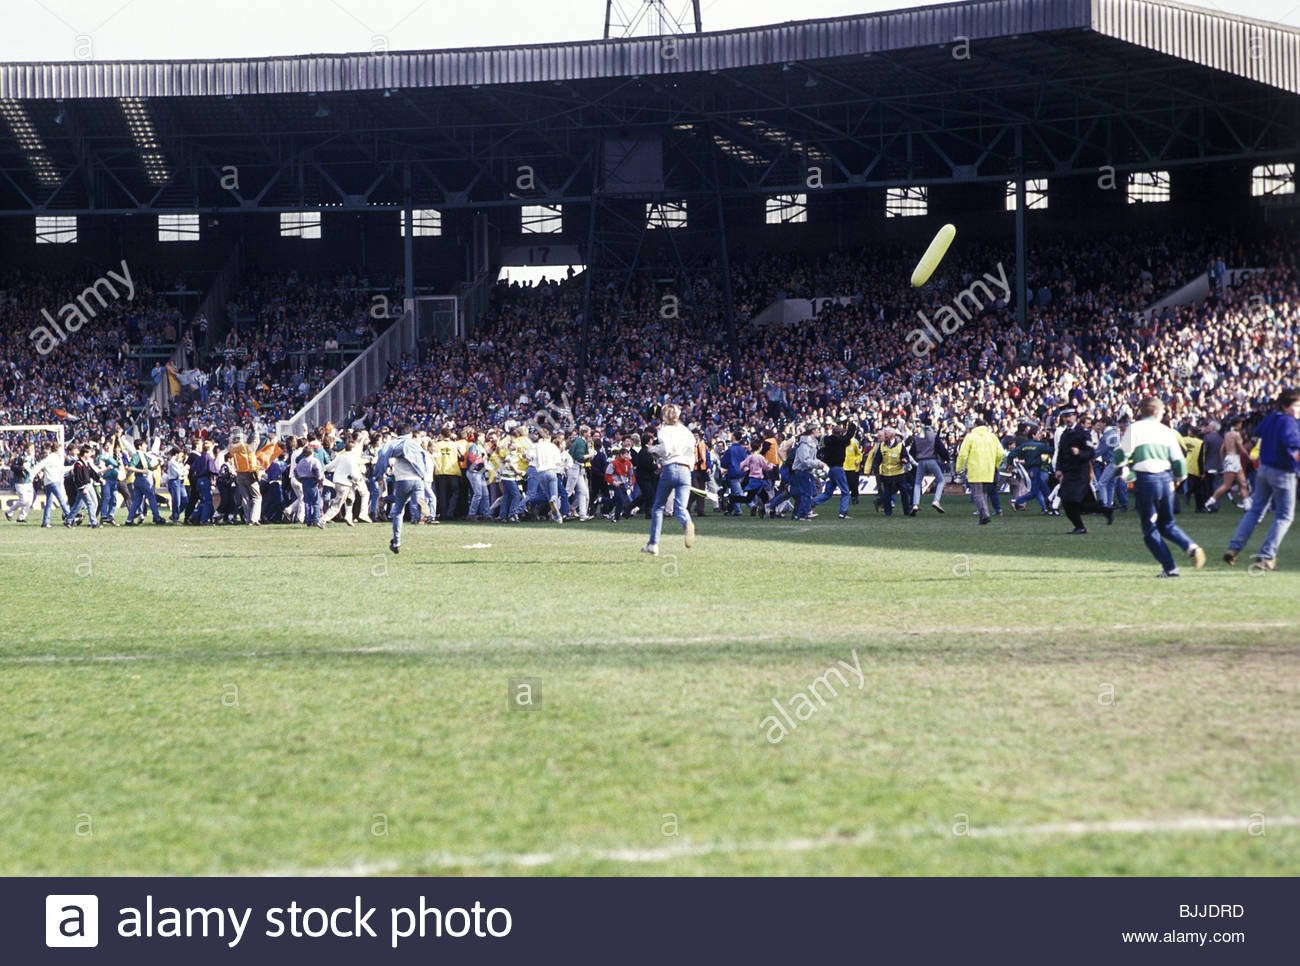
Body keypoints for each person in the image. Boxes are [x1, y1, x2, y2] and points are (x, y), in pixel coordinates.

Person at [1113, 396, 1207, 577]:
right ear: (1156, 412)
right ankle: (1191, 547)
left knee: (1150, 530)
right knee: (1167, 525)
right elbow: (1179, 461)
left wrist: (1127, 475)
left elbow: (1120, 457)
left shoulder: (1135, 428)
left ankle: (1170, 568)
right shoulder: (1166, 431)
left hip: (1146, 480)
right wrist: (1178, 479)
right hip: (1166, 480)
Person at [1223, 388, 1299, 570]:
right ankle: (1266, 555)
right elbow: (1293, 446)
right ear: (1285, 406)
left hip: (1264, 469)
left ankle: (1234, 547)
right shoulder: (1289, 423)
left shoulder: (1272, 417)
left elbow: (1257, 432)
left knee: (1255, 510)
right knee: (1284, 516)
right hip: (1282, 471)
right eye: (1297, 405)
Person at [641, 403, 696, 556]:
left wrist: (652, 450)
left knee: (658, 506)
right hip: (685, 469)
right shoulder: (687, 432)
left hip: (670, 468)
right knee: (680, 508)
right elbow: (692, 452)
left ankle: (653, 544)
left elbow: (665, 449)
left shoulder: (664, 430)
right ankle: (687, 523)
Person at [1053, 407, 1112, 534]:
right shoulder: (1064, 434)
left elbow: (1091, 452)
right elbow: (1060, 454)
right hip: (1069, 472)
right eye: (1065, 417)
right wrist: (1058, 469)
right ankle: (1102, 510)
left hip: (1080, 472)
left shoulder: (1083, 433)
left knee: (1072, 501)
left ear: (1075, 416)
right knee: (1070, 501)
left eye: (1070, 416)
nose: (1068, 419)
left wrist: (1080, 453)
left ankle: (1081, 525)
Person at [374, 424, 430, 553]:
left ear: (396, 433)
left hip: (402, 480)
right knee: (416, 499)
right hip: (419, 479)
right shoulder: (416, 445)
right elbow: (424, 459)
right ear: (410, 433)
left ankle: (396, 541)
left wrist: (379, 474)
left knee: (398, 510)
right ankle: (419, 510)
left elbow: (382, 455)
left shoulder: (395, 443)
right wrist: (424, 475)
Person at [956, 419, 1005, 524]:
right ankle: (984, 515)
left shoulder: (970, 437)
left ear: (975, 425)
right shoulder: (992, 437)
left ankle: (985, 515)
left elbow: (962, 454)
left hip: (975, 469)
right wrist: (996, 464)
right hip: (989, 469)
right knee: (983, 492)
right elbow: (1001, 453)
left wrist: (959, 468)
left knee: (977, 494)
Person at [813, 419, 857, 519]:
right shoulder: (842, 440)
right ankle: (843, 512)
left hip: (829, 469)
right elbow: (850, 434)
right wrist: (852, 423)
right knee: (845, 492)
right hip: (838, 469)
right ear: (841, 432)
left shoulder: (827, 440)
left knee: (828, 493)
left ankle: (810, 503)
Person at [1205, 418, 1252, 511]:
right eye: (1241, 423)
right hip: (1234, 458)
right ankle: (1209, 502)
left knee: (1243, 484)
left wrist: (1223, 461)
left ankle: (1247, 507)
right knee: (1227, 485)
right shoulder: (1236, 434)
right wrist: (1248, 456)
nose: (1242, 425)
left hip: (1230, 459)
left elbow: (1222, 450)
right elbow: (1240, 447)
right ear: (1238, 424)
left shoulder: (1227, 434)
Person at [908, 417, 948, 514]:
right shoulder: (933, 435)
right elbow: (941, 449)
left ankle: (915, 504)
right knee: (941, 480)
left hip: (921, 461)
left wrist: (918, 456)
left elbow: (911, 451)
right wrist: (946, 458)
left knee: (917, 483)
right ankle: (936, 500)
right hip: (932, 460)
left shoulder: (917, 437)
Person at [790, 422, 827, 521]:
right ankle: (803, 513)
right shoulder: (804, 445)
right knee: (806, 492)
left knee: (811, 491)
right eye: (818, 430)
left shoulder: (811, 443)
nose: (819, 432)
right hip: (802, 471)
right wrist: (817, 464)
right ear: (813, 431)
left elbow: (812, 459)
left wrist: (820, 463)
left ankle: (802, 513)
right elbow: (804, 460)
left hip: (807, 471)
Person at [228, 428, 264, 526]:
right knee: (257, 497)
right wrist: (256, 430)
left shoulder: (232, 449)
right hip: (250, 474)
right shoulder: (248, 447)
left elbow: (229, 445)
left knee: (245, 498)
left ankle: (247, 519)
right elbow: (257, 441)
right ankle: (254, 519)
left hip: (239, 474)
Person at [33, 442, 71, 528]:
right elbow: (62, 469)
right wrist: (72, 467)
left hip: (48, 483)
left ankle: (45, 522)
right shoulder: (55, 458)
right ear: (57, 449)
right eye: (61, 449)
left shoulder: (49, 458)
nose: (62, 451)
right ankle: (70, 518)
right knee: (61, 500)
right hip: (54, 482)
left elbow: (39, 466)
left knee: (49, 503)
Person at [5, 441, 35, 523]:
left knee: (29, 501)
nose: (32, 450)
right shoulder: (20, 457)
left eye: (33, 449)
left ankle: (21, 517)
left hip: (29, 482)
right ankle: (9, 512)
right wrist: (22, 468)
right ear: (26, 449)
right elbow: (12, 467)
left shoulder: (32, 458)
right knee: (24, 500)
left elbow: (32, 469)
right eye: (31, 449)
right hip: (20, 482)